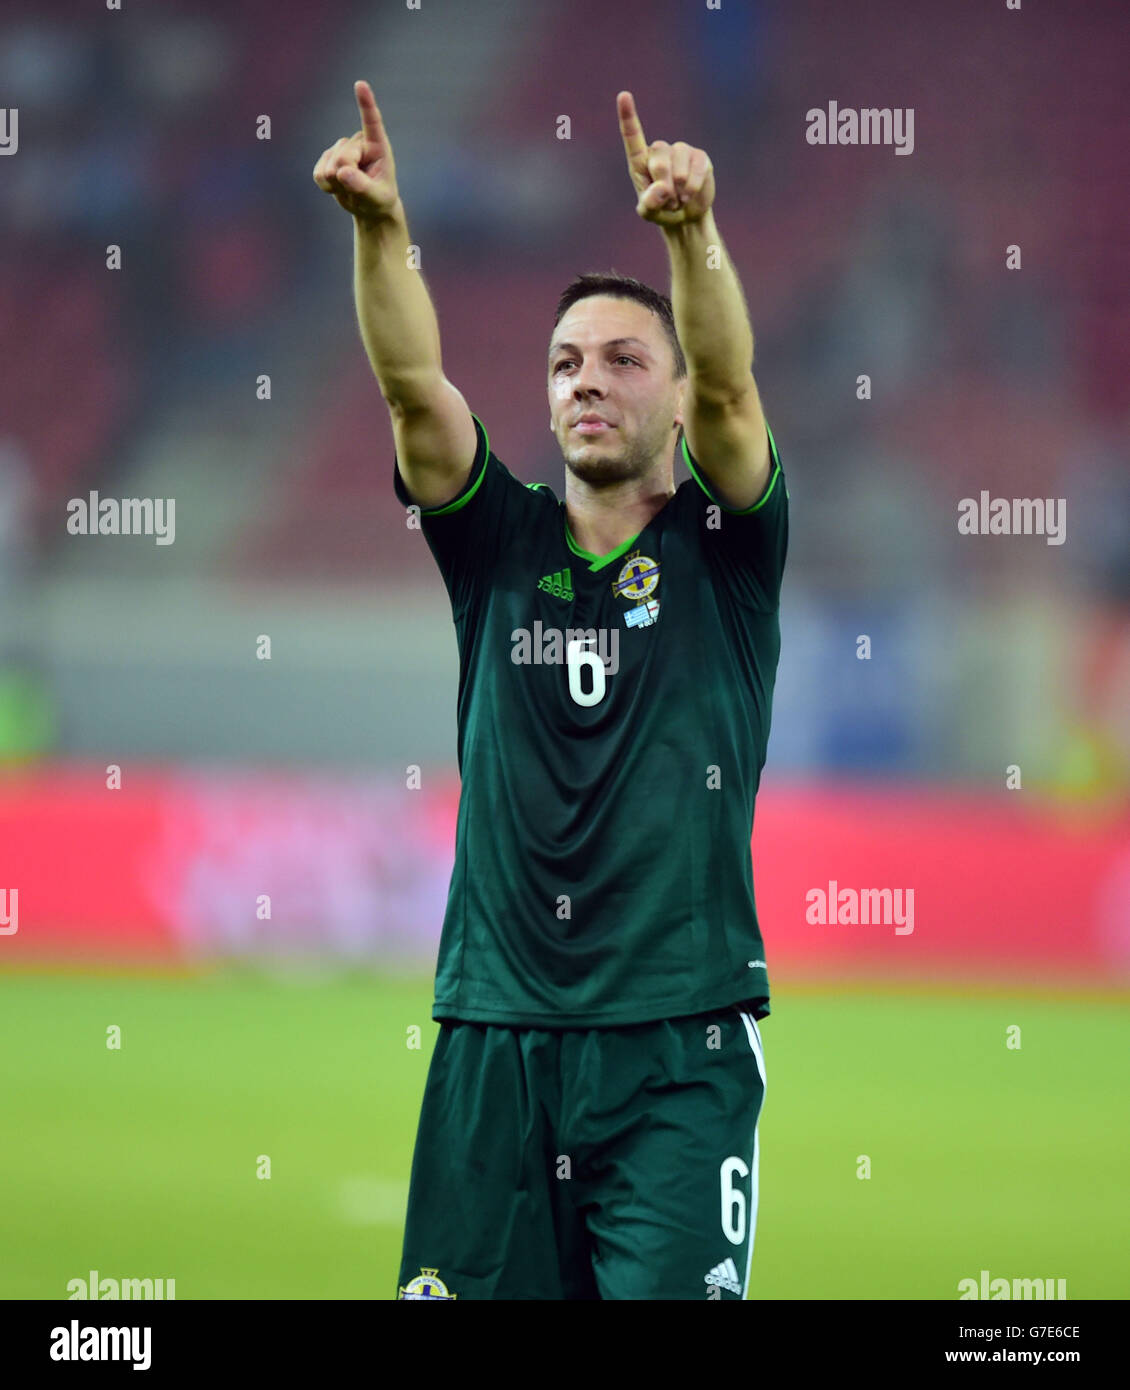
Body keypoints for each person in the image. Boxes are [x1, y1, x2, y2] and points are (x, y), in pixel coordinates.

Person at [313, 82, 788, 1301]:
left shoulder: (726, 551)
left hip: (674, 1046)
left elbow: (735, 394)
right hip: (494, 1042)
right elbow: (416, 389)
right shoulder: (494, 547)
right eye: (566, 362)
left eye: (626, 360)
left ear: (674, 399)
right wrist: (380, 231)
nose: (588, 380)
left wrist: (689, 238)